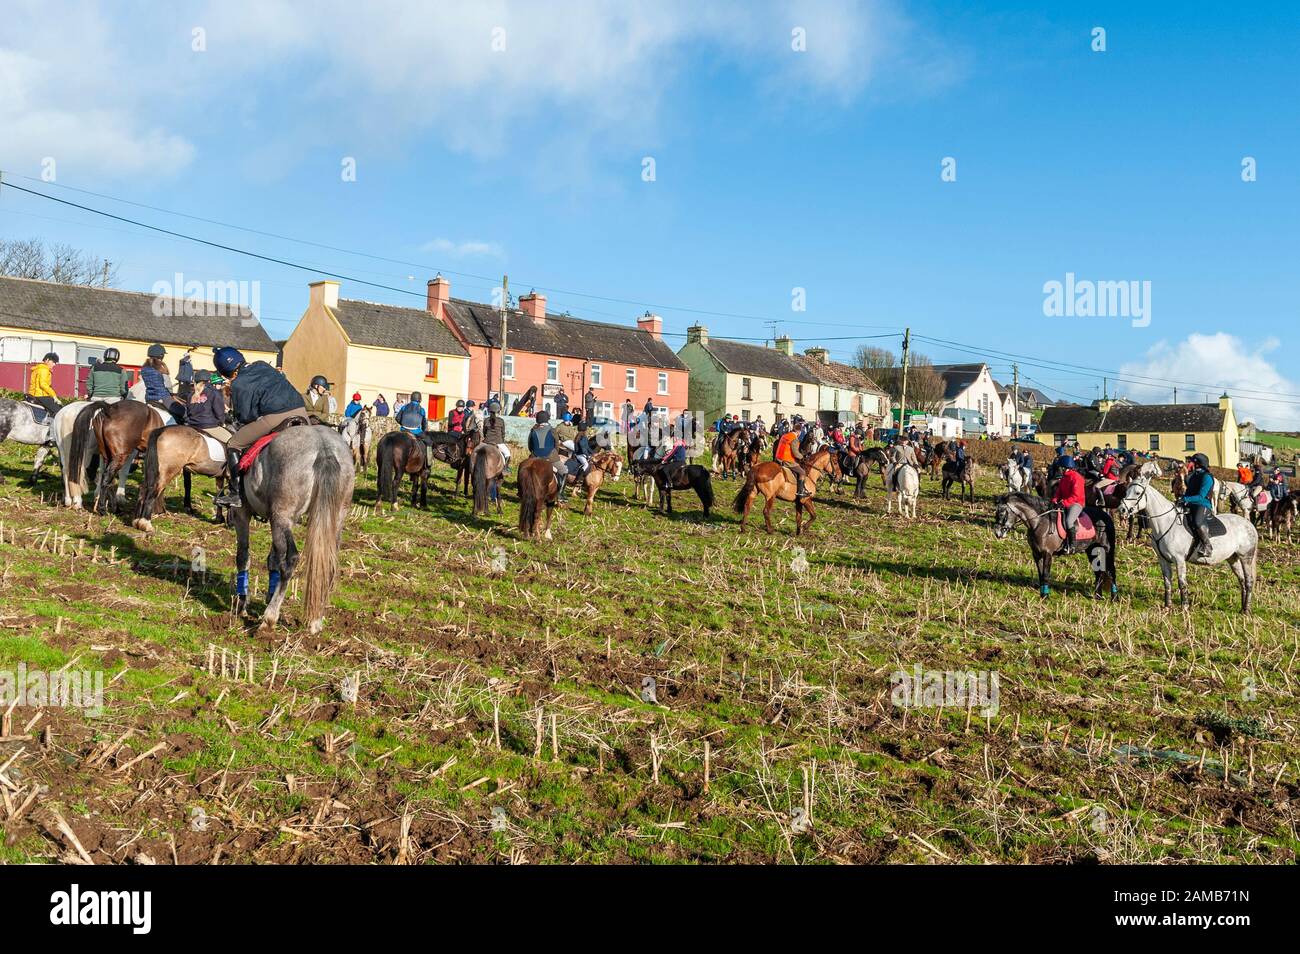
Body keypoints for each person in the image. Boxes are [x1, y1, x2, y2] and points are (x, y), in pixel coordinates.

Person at [211, 348, 310, 509]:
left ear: (227, 373)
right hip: (301, 411)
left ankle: (236, 493)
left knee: (234, 444)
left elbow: (245, 417)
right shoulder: (262, 364)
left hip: (276, 416)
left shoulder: (238, 384)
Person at [1179, 453, 1217, 559]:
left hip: (1202, 504)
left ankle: (1207, 546)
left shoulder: (1207, 477)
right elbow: (1189, 491)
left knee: (1197, 521)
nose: (1189, 464)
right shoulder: (1193, 476)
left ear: (1198, 464)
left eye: (1192, 462)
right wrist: (1181, 499)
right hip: (1190, 503)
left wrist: (1186, 499)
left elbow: (1201, 496)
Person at [139, 344, 186, 421]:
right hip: (163, 398)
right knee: (184, 412)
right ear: (161, 355)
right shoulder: (161, 367)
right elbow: (168, 386)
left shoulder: (144, 368)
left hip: (149, 398)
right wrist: (171, 394)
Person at [1052, 455, 1086, 554]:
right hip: (1065, 502)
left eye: (1060, 467)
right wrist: (1055, 500)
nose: (1059, 469)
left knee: (1068, 521)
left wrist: (1064, 503)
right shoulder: (1064, 478)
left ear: (1065, 467)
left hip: (1076, 504)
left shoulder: (1076, 477)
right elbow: (1059, 492)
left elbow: (1076, 495)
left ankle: (1072, 546)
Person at [186, 373, 232, 442]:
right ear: (209, 381)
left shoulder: (190, 395)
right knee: (232, 441)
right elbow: (219, 413)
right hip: (208, 426)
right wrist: (222, 422)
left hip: (192, 425)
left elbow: (188, 412)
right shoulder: (214, 393)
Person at [774, 425, 810, 498]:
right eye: (800, 432)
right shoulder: (794, 438)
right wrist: (802, 457)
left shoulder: (784, 436)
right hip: (787, 460)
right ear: (798, 431)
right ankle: (800, 491)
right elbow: (795, 453)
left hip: (778, 458)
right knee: (802, 472)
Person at [26, 352, 62, 416]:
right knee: (59, 412)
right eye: (53, 362)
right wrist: (54, 396)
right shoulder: (44, 370)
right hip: (40, 395)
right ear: (47, 360)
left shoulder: (38, 368)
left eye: (55, 363)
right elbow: (43, 384)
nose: (54, 364)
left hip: (33, 393)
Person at [481, 398, 511, 474]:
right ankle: (505, 469)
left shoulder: (486, 420)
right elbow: (503, 433)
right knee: (508, 454)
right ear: (498, 411)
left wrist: (486, 439)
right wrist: (502, 441)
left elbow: (484, 432)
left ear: (490, 411)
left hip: (487, 442)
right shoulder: (501, 421)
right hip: (498, 442)